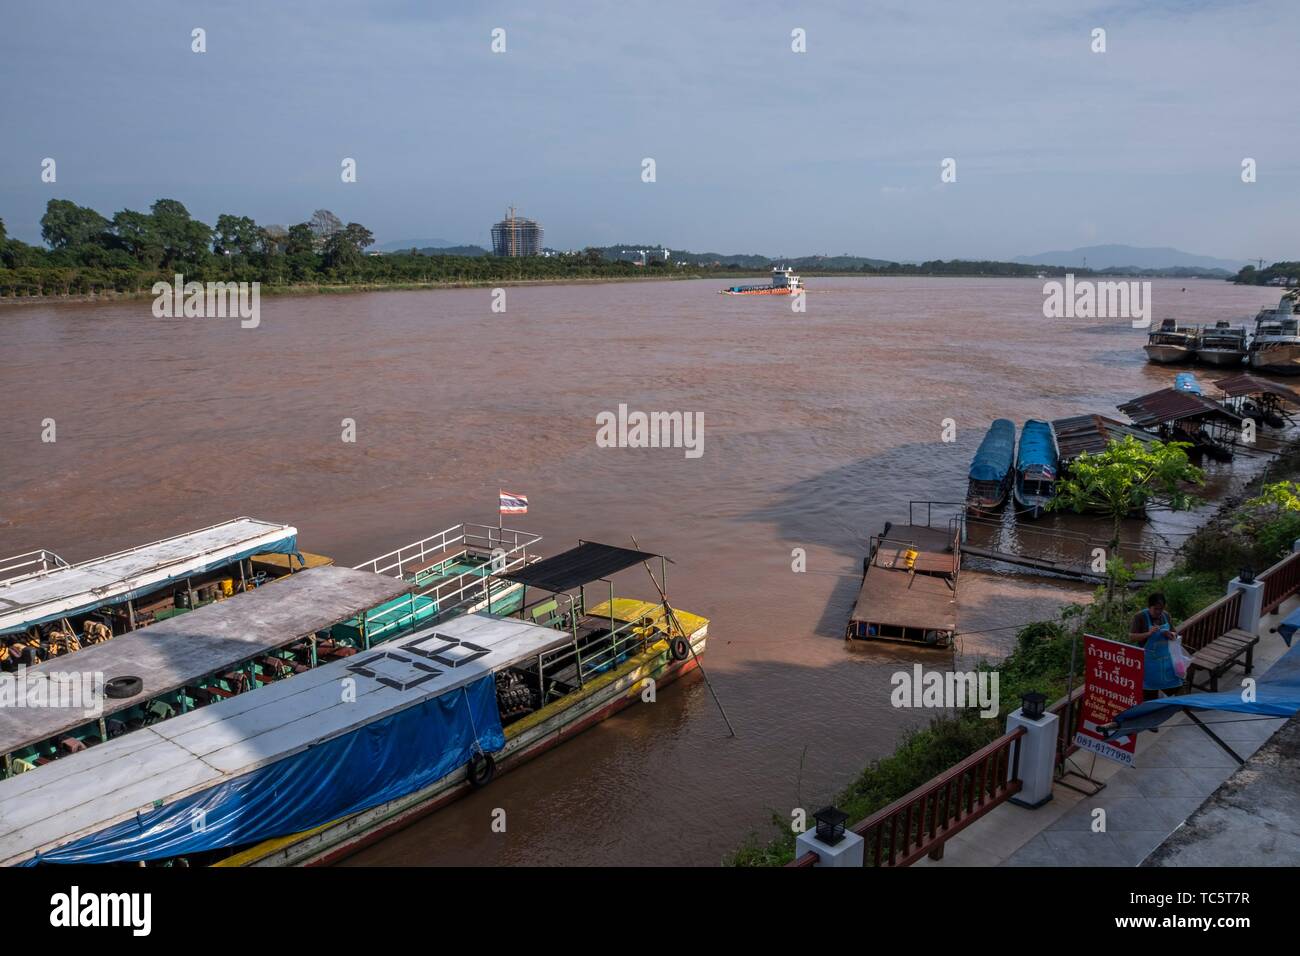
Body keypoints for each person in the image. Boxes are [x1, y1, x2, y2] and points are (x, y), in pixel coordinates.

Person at [1130, 593, 1183, 702]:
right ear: (1149, 607)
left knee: (1172, 687)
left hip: (1165, 661)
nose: (1159, 612)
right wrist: (1148, 634)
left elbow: (1175, 633)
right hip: (1148, 663)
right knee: (1149, 694)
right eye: (1156, 609)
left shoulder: (1166, 615)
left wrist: (1171, 635)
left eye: (1161, 609)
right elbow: (1132, 637)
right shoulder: (1139, 617)